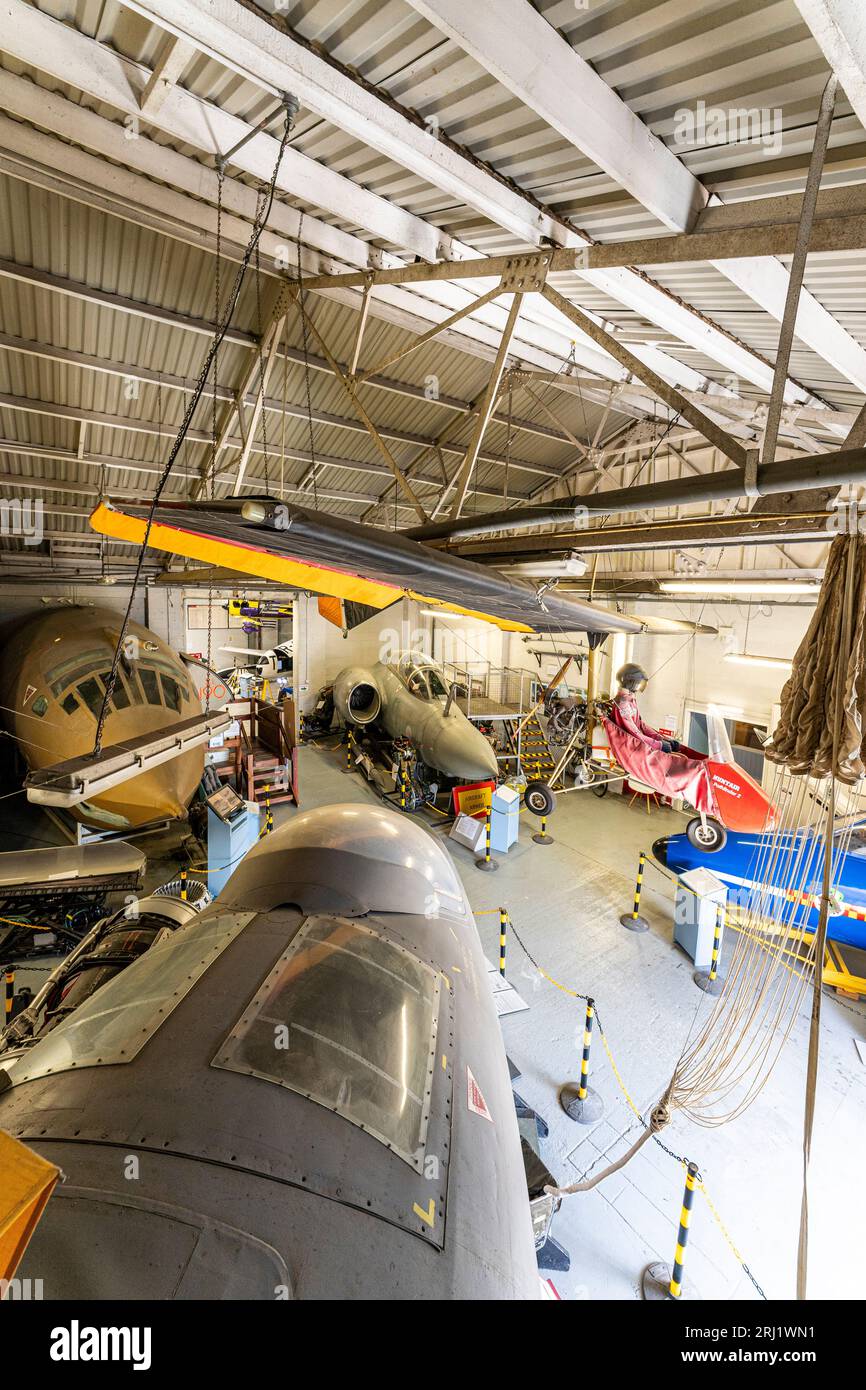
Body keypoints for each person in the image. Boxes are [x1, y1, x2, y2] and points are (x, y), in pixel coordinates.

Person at [613, 663, 681, 754]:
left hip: (639, 745)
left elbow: (641, 725)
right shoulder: (622, 703)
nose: (640, 686)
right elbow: (633, 733)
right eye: (639, 683)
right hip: (631, 749)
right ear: (631, 681)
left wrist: (662, 739)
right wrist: (658, 745)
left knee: (681, 756)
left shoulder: (630, 699)